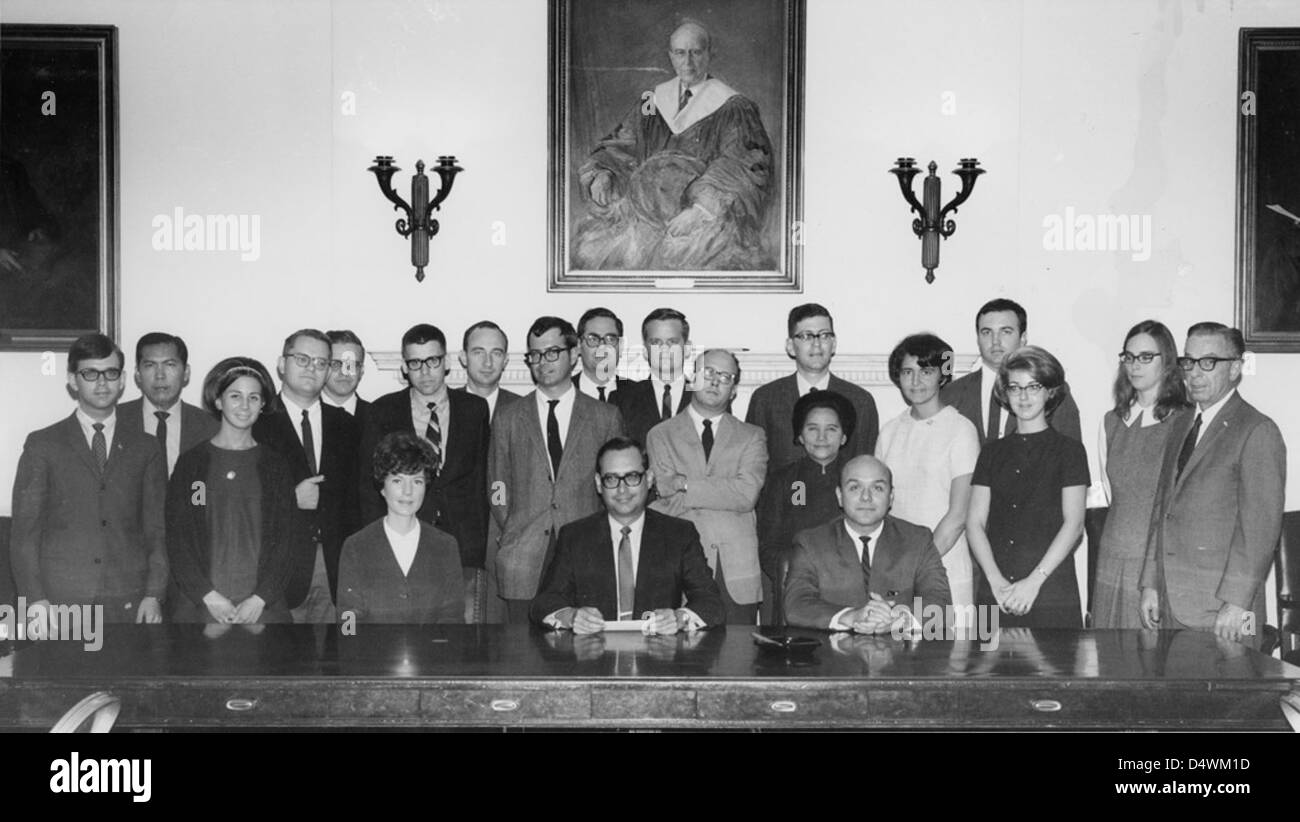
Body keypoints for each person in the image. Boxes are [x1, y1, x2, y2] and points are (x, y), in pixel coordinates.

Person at [572, 18, 774, 271]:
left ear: (710, 54)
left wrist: (701, 209)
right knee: (591, 250)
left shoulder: (735, 107)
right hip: (646, 212)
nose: (687, 62)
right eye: (680, 53)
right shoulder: (652, 100)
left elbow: (743, 164)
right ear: (670, 56)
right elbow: (625, 141)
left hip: (701, 219)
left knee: (686, 259)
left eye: (696, 53)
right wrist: (604, 172)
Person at [1140, 323, 1286, 645]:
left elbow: (1260, 529)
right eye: (1188, 362)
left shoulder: (1257, 430)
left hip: (1225, 612)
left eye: (1208, 362)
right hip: (1170, 604)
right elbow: (1162, 510)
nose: (1194, 373)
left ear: (1235, 368)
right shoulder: (1180, 425)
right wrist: (1151, 583)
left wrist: (1237, 603)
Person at [10, 333, 168, 626]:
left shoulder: (146, 447)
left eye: (110, 373)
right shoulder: (43, 444)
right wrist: (34, 600)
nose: (102, 383)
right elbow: (24, 534)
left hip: (128, 597)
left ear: (122, 380)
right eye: (90, 374)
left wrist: (154, 593)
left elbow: (157, 528)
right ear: (73, 380)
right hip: (60, 602)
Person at [488, 316, 624, 622]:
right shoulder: (508, 417)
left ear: (574, 355)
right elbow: (497, 486)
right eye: (535, 355)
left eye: (552, 353)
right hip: (523, 555)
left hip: (588, 555)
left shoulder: (605, 417)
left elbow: (616, 487)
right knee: (521, 654)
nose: (542, 362)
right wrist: (510, 524)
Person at [360, 323, 490, 622]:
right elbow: (369, 485)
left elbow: (484, 477)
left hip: (463, 543)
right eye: (416, 363)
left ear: (446, 362)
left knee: (461, 633)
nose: (426, 371)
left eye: (433, 361)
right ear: (405, 367)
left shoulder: (474, 409)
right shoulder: (382, 411)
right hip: (404, 538)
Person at [530, 437, 723, 632]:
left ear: (648, 479)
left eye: (631, 477)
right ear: (598, 484)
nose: (622, 489)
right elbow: (543, 603)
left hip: (660, 654)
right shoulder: (574, 536)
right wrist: (571, 616)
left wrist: (679, 618)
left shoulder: (679, 534)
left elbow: (711, 602)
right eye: (611, 479)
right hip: (592, 655)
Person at [167, 357, 298, 624]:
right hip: (203, 608)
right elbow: (181, 535)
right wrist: (208, 595)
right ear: (218, 400)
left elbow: (285, 539)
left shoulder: (274, 466)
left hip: (262, 609)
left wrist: (261, 598)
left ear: (262, 405)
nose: (244, 406)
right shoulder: (194, 466)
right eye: (235, 396)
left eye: (253, 398)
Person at [966, 346, 1089, 628]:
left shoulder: (1069, 451)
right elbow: (974, 523)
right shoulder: (991, 452)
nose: (1023, 396)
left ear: (1050, 391)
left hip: (1050, 589)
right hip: (995, 590)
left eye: (1033, 386)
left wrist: (1033, 583)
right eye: (1014, 387)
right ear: (1005, 394)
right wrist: (995, 581)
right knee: (988, 670)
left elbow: (1074, 524)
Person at [647, 348, 767, 624]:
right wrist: (726, 490)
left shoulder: (752, 436)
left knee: (738, 658)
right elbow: (666, 495)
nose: (715, 381)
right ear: (691, 378)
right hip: (679, 564)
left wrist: (685, 483)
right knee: (681, 661)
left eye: (725, 377)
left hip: (735, 570)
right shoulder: (660, 434)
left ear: (734, 390)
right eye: (708, 372)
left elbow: (746, 495)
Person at [252, 329, 360, 624]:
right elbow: (236, 500)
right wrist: (290, 499)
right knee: (279, 664)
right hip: (274, 571)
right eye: (302, 359)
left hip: (336, 570)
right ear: (281, 364)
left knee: (333, 664)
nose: (312, 367)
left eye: (321, 362)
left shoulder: (348, 426)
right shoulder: (255, 423)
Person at [876, 333, 979, 627]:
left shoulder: (960, 430)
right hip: (895, 569)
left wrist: (918, 565)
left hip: (943, 565)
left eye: (926, 371)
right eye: (908, 372)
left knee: (945, 660)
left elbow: (959, 515)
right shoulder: (890, 431)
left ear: (942, 375)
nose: (916, 381)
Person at [1093, 320, 1191, 629]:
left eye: (1146, 357)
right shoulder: (1111, 422)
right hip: (1113, 552)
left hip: (1158, 560)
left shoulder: (1185, 420)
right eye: (1129, 357)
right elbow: (1110, 493)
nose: (1135, 365)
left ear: (1168, 362)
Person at [784, 456, 951, 633]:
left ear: (891, 497)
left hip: (900, 653)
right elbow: (796, 605)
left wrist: (898, 619)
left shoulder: (918, 540)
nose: (866, 497)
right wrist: (851, 616)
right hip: (831, 655)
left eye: (877, 488)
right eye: (855, 488)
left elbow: (940, 603)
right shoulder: (812, 543)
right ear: (840, 496)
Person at [337, 432, 464, 624]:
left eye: (417, 481)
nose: (408, 491)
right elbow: (348, 621)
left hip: (432, 652)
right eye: (397, 480)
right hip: (371, 652)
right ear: (382, 487)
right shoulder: (356, 546)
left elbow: (453, 619)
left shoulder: (446, 546)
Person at [755, 390, 856, 625]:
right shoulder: (784, 480)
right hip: (791, 587)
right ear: (800, 435)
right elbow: (767, 544)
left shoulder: (857, 479)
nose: (822, 437)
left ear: (843, 437)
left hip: (848, 590)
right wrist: (796, 577)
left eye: (831, 429)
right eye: (812, 428)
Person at [745, 303, 879, 469]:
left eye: (824, 336)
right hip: (786, 493)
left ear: (834, 344)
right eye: (806, 336)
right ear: (790, 346)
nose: (817, 344)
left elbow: (865, 465)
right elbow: (754, 466)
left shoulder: (860, 401)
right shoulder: (765, 399)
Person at [941, 298, 1082, 444]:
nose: (995, 341)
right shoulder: (952, 394)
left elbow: (1070, 454)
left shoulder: (1050, 389)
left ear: (1023, 338)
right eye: (987, 332)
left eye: (1006, 332)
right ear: (978, 339)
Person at [118, 332, 219, 477]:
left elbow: (202, 490)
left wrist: (198, 500)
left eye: (170, 364)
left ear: (186, 372)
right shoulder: (116, 421)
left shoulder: (210, 427)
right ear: (138, 374)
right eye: (150, 365)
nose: (160, 375)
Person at [610, 307, 693, 447]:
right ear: (645, 351)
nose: (664, 349)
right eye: (656, 342)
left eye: (672, 341)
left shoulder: (705, 396)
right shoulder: (621, 399)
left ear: (687, 349)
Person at [457, 320, 521, 423]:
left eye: (496, 353)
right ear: (464, 357)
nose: (488, 363)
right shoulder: (446, 406)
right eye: (478, 352)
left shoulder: (523, 408)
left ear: (505, 360)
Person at [573, 307, 633, 402]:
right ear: (579, 345)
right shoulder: (562, 392)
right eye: (593, 339)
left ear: (620, 346)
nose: (602, 346)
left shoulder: (639, 395)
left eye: (610, 339)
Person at [322, 329, 371, 427]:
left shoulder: (378, 416)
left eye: (351, 365)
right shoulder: (303, 413)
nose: (344, 372)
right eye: (336, 364)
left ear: (361, 371)